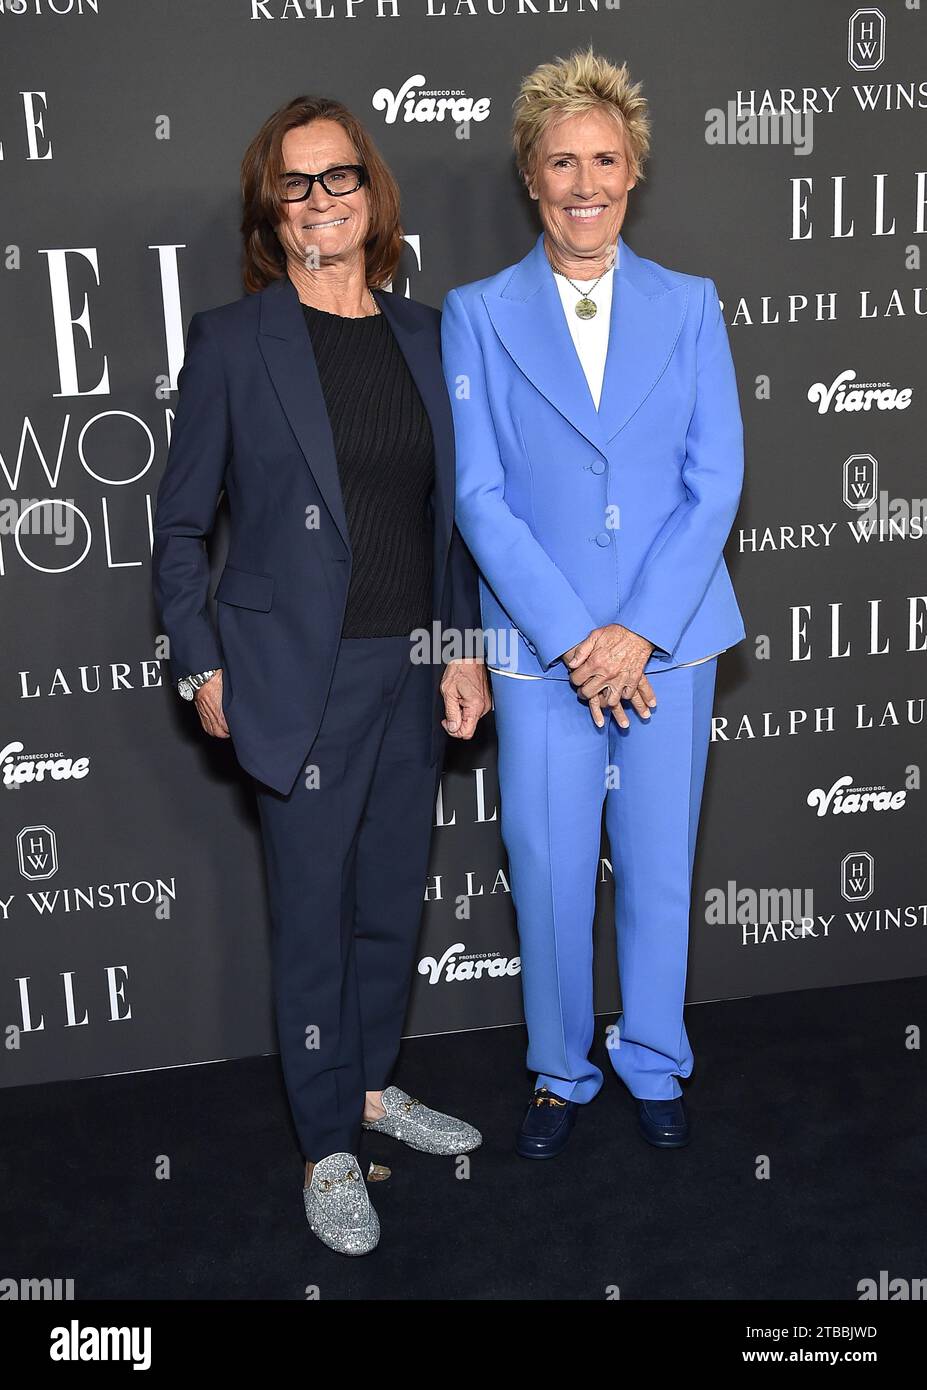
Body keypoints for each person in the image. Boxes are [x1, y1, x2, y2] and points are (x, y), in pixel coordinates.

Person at [152, 95, 491, 1255]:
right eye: (295, 184)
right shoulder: (235, 342)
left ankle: (371, 1090)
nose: (320, 200)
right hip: (296, 679)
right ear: (271, 208)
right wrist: (200, 666)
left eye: (338, 176)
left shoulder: (430, 336)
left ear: (371, 191)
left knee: (391, 902)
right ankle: (327, 1145)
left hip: (412, 669)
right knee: (311, 919)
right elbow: (180, 527)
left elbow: (446, 524)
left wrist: (459, 653)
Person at [441, 48, 746, 1158]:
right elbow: (477, 493)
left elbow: (715, 480)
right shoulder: (475, 314)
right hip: (541, 650)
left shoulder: (693, 304)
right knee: (553, 870)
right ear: (531, 174)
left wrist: (639, 631)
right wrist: (578, 637)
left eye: (604, 159)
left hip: (667, 645)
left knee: (660, 867)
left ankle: (655, 1055)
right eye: (561, 161)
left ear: (634, 171)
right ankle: (561, 1069)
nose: (584, 183)